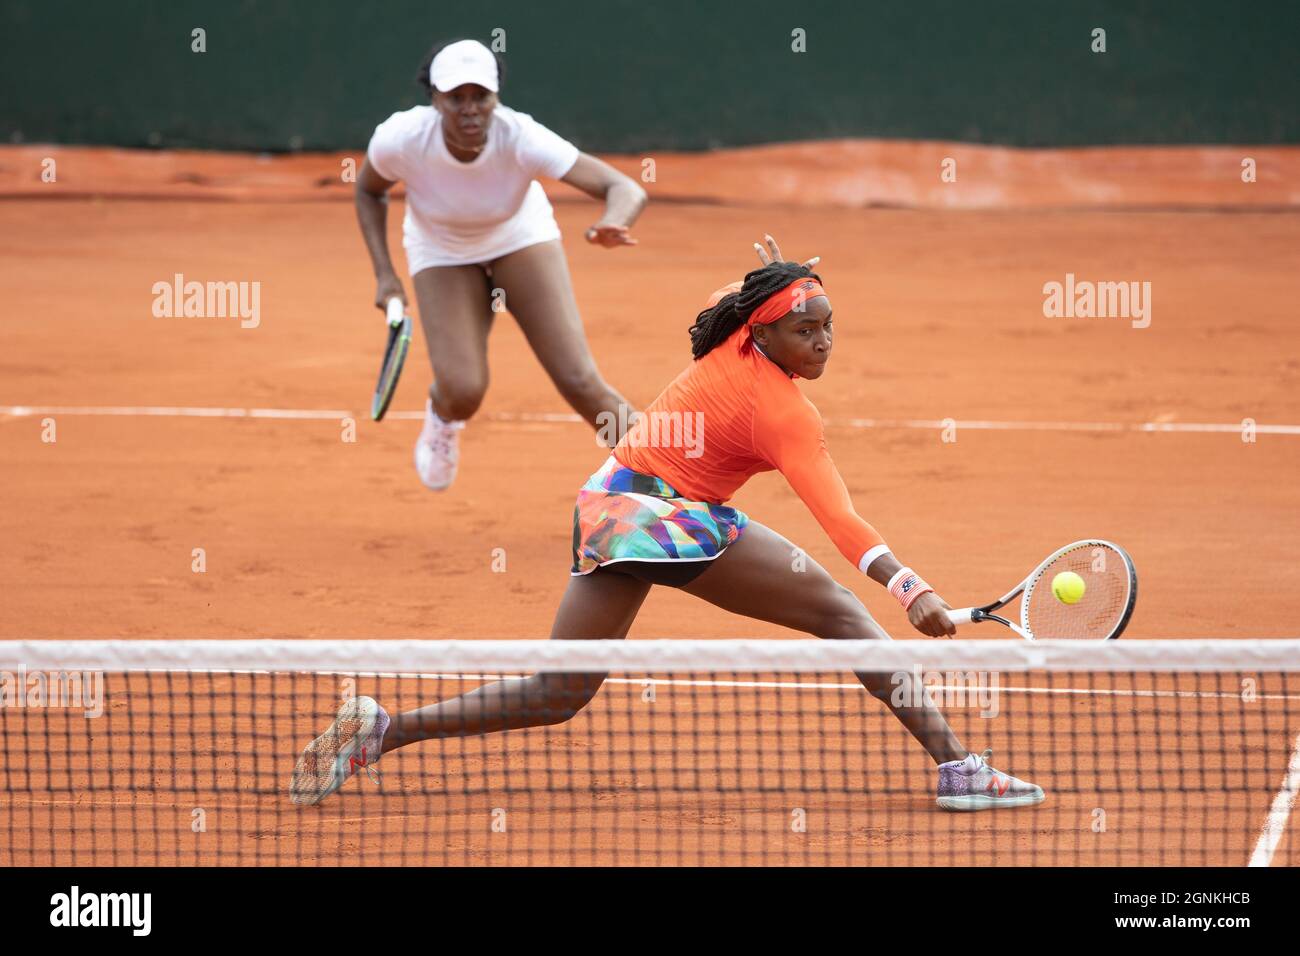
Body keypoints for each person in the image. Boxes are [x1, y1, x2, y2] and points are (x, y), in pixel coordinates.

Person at [293, 237, 1044, 813]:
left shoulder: (734, 334)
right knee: (844, 614)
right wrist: (911, 590)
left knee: (559, 693)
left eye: (828, 327)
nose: (821, 342)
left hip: (610, 499)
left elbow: (745, 296)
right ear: (766, 336)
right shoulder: (783, 413)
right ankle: (959, 769)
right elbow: (839, 518)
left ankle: (386, 731)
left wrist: (783, 273)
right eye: (805, 329)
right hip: (667, 519)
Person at [356, 38, 646, 490]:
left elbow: (624, 188)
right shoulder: (401, 138)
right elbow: (369, 190)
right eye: (456, 98)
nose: (470, 109)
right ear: (434, 98)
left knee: (580, 380)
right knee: (463, 390)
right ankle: (442, 419)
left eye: (481, 97)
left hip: (520, 237)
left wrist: (612, 222)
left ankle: (670, 479)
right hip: (441, 251)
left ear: (496, 98)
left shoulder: (522, 136)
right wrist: (385, 275)